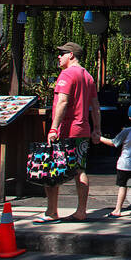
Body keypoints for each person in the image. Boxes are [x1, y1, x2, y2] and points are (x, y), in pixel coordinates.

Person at [37, 42, 101, 223]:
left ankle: (51, 211)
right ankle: (81, 210)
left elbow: (63, 102)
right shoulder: (88, 76)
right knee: (80, 169)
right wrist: (96, 129)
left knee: (51, 169)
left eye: (62, 53)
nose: (59, 57)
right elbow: (95, 106)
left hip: (66, 129)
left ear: (71, 55)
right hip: (82, 130)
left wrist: (53, 128)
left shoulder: (66, 75)